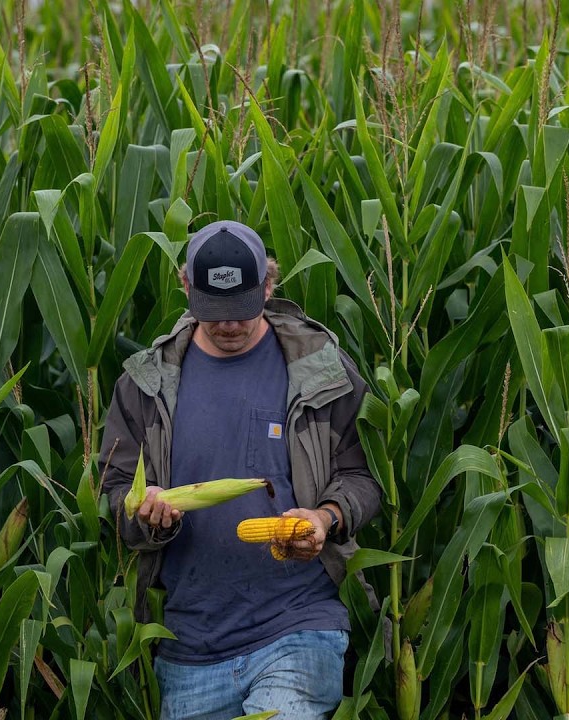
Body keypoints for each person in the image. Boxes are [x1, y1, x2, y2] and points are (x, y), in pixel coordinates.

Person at [99, 220, 384, 719]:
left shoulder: (321, 370)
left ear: (269, 286)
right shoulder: (144, 386)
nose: (229, 325)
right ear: (186, 286)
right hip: (190, 649)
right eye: (213, 312)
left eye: (241, 312)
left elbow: (365, 476)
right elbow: (113, 490)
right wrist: (144, 514)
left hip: (298, 626)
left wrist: (326, 518)